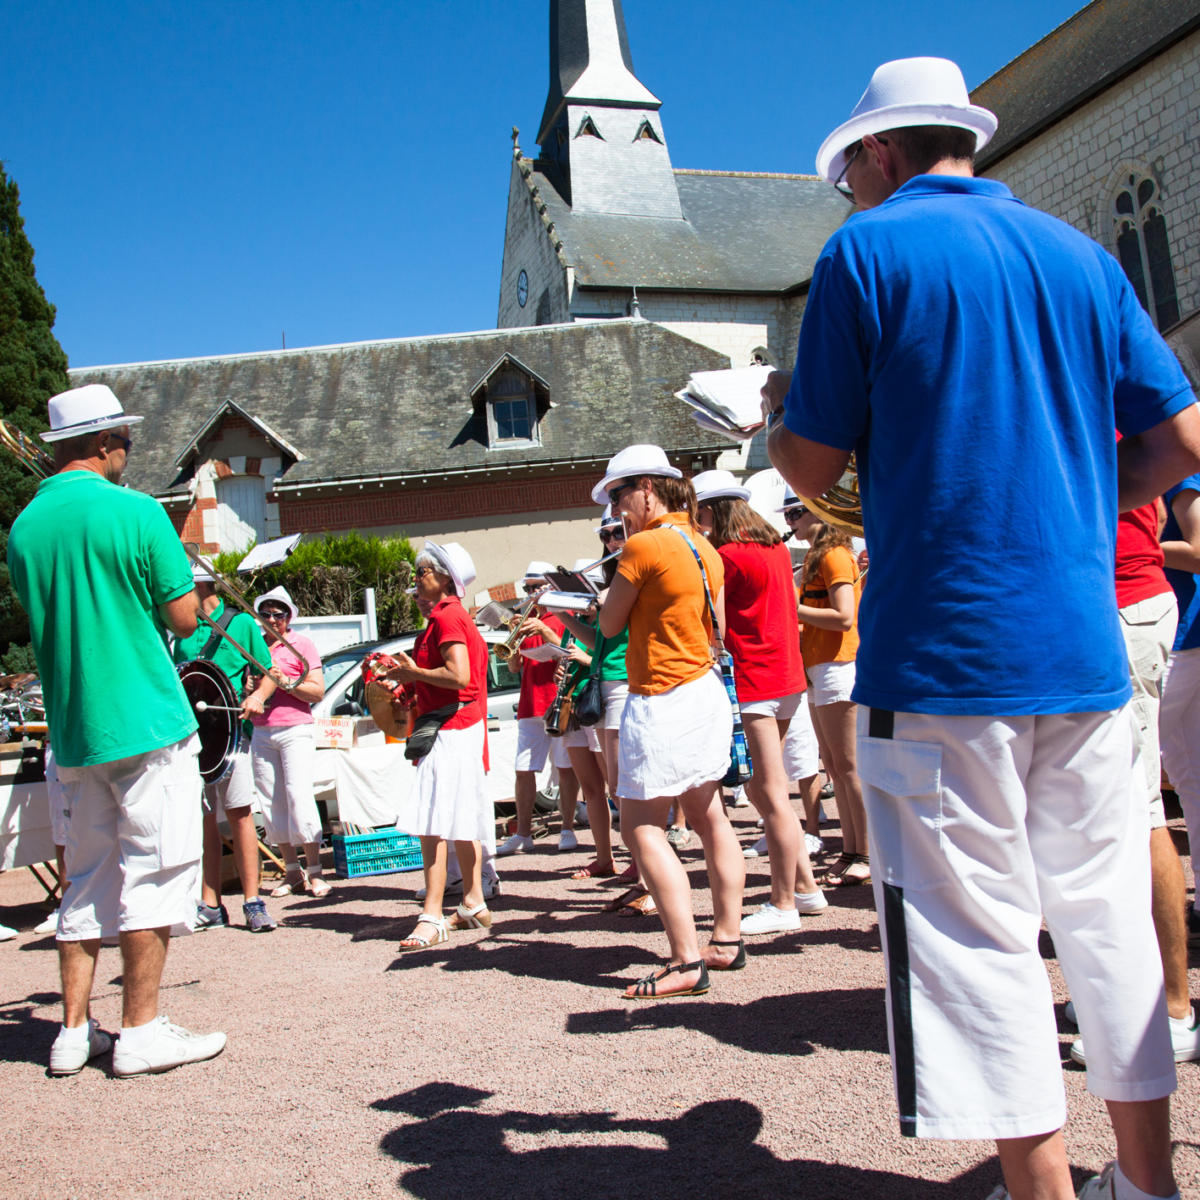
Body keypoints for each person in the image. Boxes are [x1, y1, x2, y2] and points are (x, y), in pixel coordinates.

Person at [763, 57, 1200, 1200]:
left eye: (850, 171)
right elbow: (1181, 440)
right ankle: (1147, 1186)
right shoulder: (1081, 255)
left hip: (943, 653)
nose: (850, 190)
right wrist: (1078, 503)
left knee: (976, 938)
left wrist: (776, 423)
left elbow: (811, 465)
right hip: (1082, 648)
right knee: (1107, 920)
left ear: (881, 151)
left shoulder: (866, 252)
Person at [7, 383, 226, 1077]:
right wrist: (191, 584)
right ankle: (140, 1030)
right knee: (155, 871)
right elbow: (184, 620)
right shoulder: (138, 511)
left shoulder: (23, 529)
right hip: (145, 718)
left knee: (85, 879)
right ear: (104, 443)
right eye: (125, 441)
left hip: (74, 728)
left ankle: (73, 1032)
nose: (128, 452)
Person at [593, 444, 745, 998]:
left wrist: (602, 600)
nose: (616, 508)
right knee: (710, 817)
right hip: (703, 689)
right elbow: (715, 624)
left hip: (661, 694)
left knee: (640, 827)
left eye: (618, 495)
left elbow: (610, 625)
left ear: (647, 489)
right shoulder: (704, 544)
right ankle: (726, 939)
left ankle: (685, 959)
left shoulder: (643, 544)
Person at [1066, 493, 1199, 1066]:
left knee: (1139, 811)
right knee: (1098, 812)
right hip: (1112, 604)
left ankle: (1172, 1010)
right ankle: (1124, 990)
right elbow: (1158, 514)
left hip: (1120, 605)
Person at [692, 470, 826, 934]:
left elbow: (717, 624)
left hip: (755, 680)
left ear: (712, 511)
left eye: (699, 514)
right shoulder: (773, 548)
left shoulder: (726, 556)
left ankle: (784, 903)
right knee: (766, 791)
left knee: (769, 794)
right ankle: (805, 888)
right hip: (785, 676)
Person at [383, 542, 493, 948]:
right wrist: (413, 685)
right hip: (458, 724)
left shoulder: (446, 617)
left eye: (422, 572)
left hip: (451, 727)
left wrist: (413, 674)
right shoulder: (450, 616)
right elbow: (455, 679)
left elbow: (459, 676)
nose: (416, 579)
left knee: (434, 822)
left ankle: (432, 914)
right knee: (461, 818)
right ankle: (473, 902)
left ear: (445, 577)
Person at [171, 563, 279, 932]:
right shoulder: (181, 629)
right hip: (194, 736)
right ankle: (211, 903)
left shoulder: (242, 623)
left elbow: (269, 672)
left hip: (232, 734)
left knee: (240, 814)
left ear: (201, 585)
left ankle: (253, 901)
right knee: (204, 819)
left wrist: (258, 697)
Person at [791, 502, 869, 887]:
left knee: (849, 767)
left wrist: (793, 609)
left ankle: (865, 853)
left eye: (795, 513)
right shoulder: (816, 557)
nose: (790, 521)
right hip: (820, 667)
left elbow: (844, 617)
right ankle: (851, 851)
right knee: (836, 769)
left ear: (818, 512)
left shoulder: (836, 555)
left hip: (840, 665)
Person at [495, 563, 580, 856]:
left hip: (557, 701)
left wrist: (544, 629)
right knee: (523, 770)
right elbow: (514, 666)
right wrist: (513, 639)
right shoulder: (527, 619)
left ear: (549, 587)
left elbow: (569, 650)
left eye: (535, 587)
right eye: (527, 588)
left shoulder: (565, 616)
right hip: (530, 703)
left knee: (566, 769)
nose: (530, 593)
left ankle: (567, 828)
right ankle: (523, 833)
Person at [248, 587, 329, 898]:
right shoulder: (255, 644)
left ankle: (315, 870)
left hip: (295, 728)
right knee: (270, 799)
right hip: (262, 730)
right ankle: (291, 871)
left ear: (289, 617)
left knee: (298, 794)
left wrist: (287, 683)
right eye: (266, 614)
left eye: (278, 614)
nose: (272, 620)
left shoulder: (302, 644)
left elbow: (317, 691)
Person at [1159, 473, 1200, 936]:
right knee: (1192, 777)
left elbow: (1198, 548)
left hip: (1175, 635)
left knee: (1133, 783)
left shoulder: (1175, 463)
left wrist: (1136, 548)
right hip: (1182, 632)